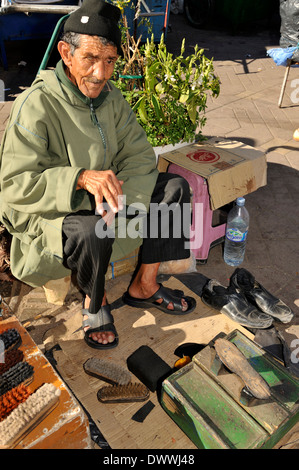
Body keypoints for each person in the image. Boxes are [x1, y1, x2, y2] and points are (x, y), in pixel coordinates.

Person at [0, 0, 196, 350]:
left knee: (174, 190)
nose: (100, 73)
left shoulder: (111, 99)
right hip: (50, 217)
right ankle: (95, 299)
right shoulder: (36, 105)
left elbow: (138, 156)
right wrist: (78, 178)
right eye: (90, 58)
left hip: (103, 206)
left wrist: (125, 204)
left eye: (109, 61)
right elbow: (13, 186)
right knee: (93, 229)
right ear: (66, 52)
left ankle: (145, 284)